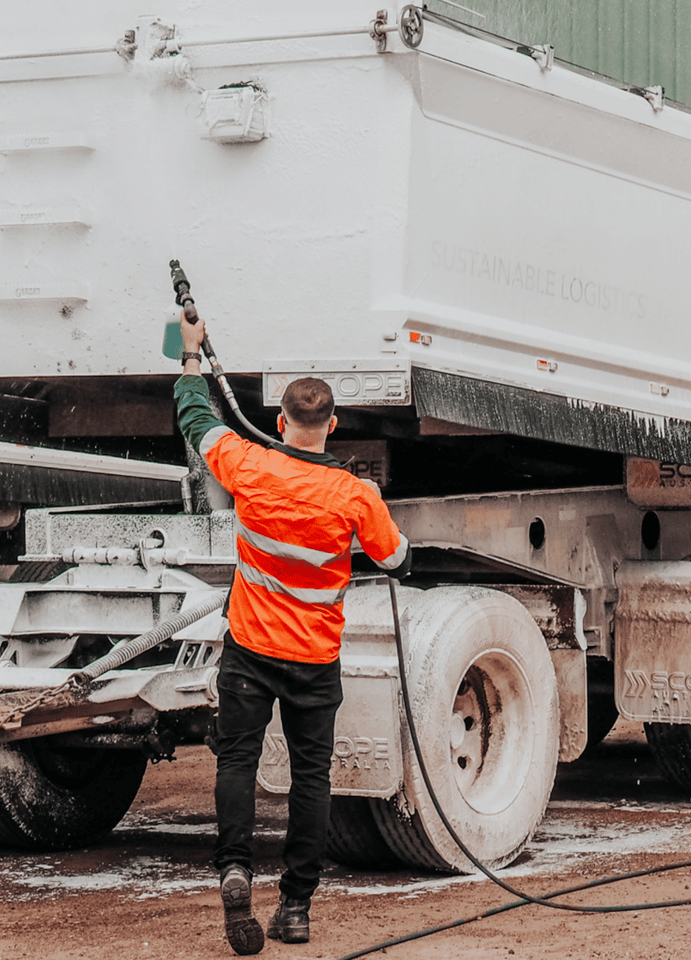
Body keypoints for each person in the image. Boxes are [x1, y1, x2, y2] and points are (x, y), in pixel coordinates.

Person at [173, 313, 410, 955]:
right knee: (311, 777)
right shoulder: (354, 495)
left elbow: (197, 422)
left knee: (238, 761)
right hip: (314, 660)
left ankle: (233, 869)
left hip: (249, 651)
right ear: (333, 424)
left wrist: (188, 355)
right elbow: (395, 560)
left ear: (280, 422)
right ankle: (297, 908)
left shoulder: (249, 467)